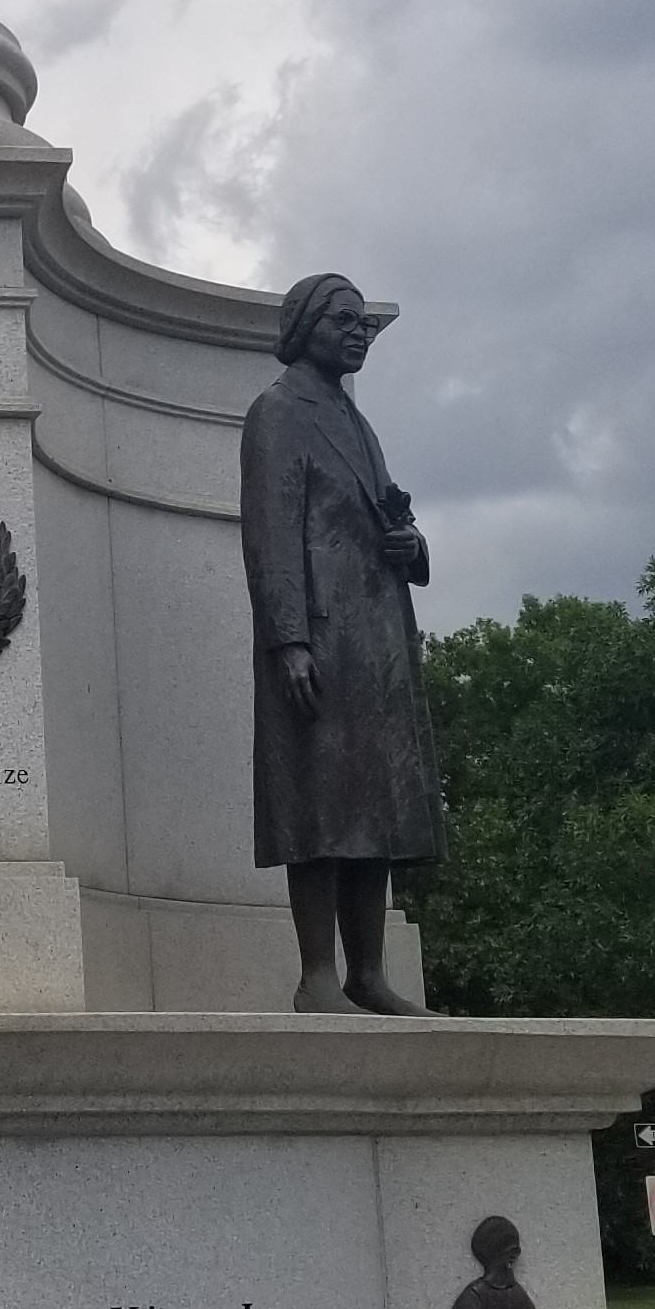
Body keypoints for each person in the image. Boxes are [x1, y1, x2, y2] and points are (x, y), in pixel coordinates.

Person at [239, 270, 445, 1014]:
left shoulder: (357, 422)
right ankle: (317, 975)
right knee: (320, 804)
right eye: (345, 319)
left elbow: (388, 525)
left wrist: (409, 546)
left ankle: (369, 973)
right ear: (305, 328)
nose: (360, 331)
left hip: (378, 633)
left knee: (376, 804)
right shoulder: (278, 412)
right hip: (323, 636)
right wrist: (289, 640)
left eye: (365, 322)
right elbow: (270, 537)